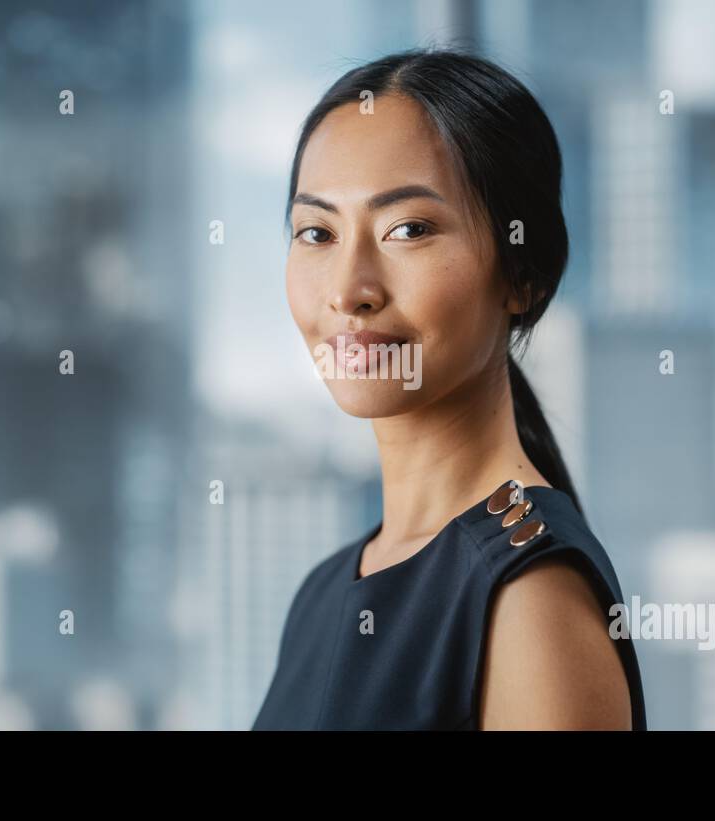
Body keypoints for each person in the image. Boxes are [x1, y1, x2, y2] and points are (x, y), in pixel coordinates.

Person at [252, 48, 646, 730]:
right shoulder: (323, 591)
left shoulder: (530, 598)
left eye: (409, 229)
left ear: (522, 274)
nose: (349, 290)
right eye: (316, 232)